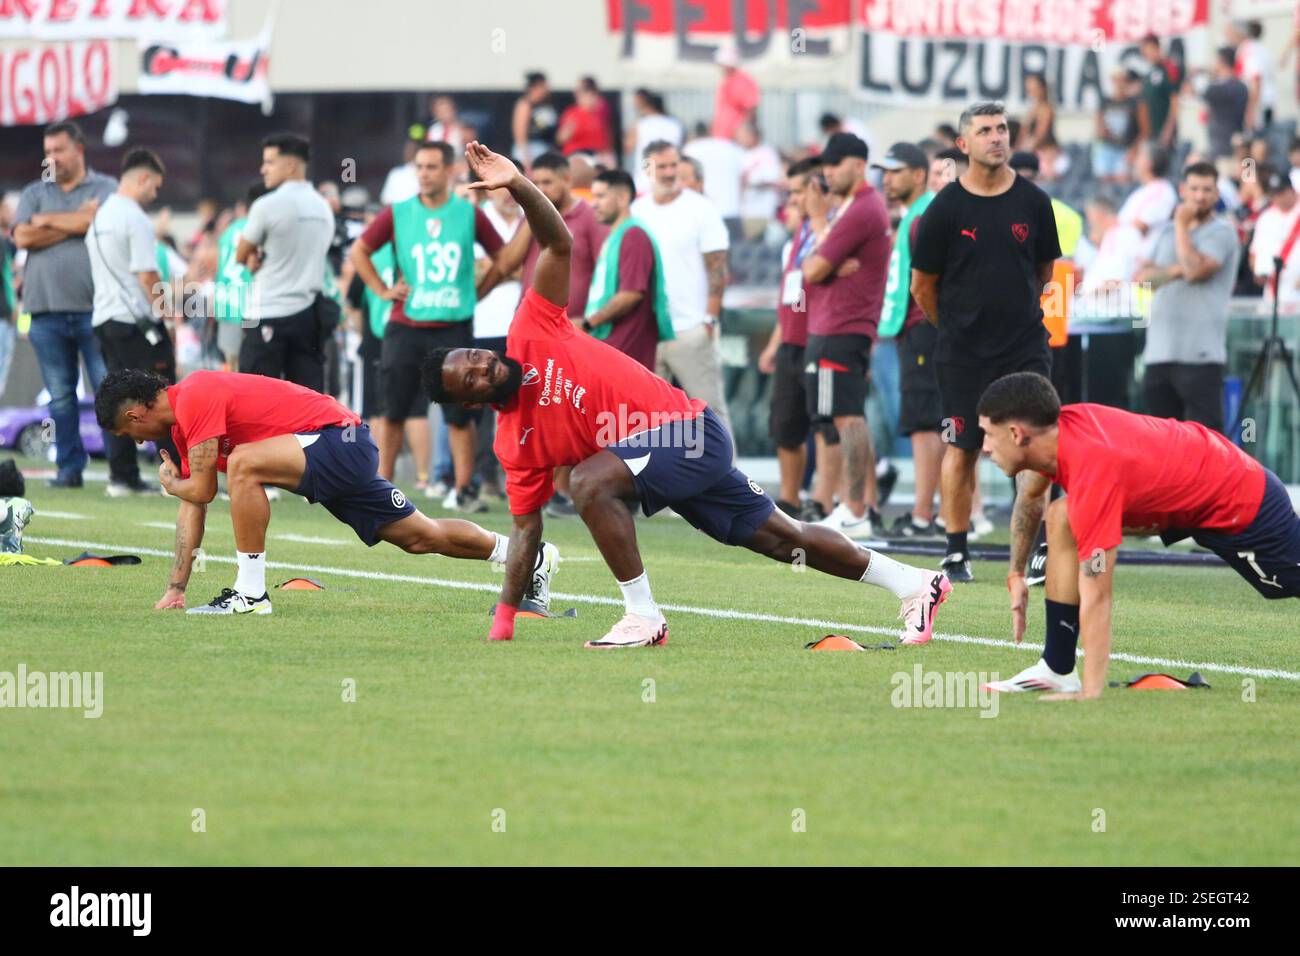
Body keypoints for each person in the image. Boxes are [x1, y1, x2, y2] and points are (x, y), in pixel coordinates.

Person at [423, 141, 952, 649]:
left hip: (690, 432)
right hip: (660, 460)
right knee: (783, 539)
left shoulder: (532, 326)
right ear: (471, 403)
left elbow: (558, 244)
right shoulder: (516, 444)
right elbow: (524, 532)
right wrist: (504, 617)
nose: (481, 365)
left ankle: (642, 615)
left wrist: (518, 185)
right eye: (469, 378)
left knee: (587, 480)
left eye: (473, 356)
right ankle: (913, 584)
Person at [95, 368, 558, 615]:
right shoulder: (179, 433)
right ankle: (528, 554)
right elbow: (195, 503)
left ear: (136, 414)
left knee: (243, 463)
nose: (137, 443)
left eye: (128, 433)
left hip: (341, 440)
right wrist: (176, 588)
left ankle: (251, 595)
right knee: (422, 537)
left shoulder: (195, 394)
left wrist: (173, 483)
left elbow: (201, 487)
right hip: (327, 455)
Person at [977, 372, 1298, 698]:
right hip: (1188, 492)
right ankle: (1056, 669)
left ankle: (1074, 680)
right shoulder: (1054, 434)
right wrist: (1016, 573)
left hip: (1244, 503)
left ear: (1016, 433)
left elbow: (1098, 595)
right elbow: (1031, 497)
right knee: (1061, 516)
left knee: (1288, 584)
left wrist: (1090, 693)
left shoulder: (1093, 471)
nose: (985, 447)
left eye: (988, 434)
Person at [911, 101, 1061, 583]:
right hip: (962, 354)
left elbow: (1044, 273)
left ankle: (1036, 551)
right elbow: (922, 288)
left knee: (1037, 446)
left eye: (1001, 129)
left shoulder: (1035, 203)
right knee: (962, 447)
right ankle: (956, 552)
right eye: (985, 131)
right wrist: (956, 327)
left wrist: (1014, 317)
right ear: (963, 144)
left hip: (1024, 348)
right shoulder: (944, 210)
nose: (997, 137)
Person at [349, 141, 507, 513]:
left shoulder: (468, 214)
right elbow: (359, 251)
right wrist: (382, 290)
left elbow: (502, 259)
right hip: (406, 325)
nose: (423, 173)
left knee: (460, 412)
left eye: (432, 167)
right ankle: (381, 488)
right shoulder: (397, 212)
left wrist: (475, 294)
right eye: (419, 166)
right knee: (392, 410)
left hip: (453, 326)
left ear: (449, 170)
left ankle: (465, 489)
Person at [12, 121, 117, 489]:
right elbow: (21, 234)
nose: (52, 157)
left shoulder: (106, 188)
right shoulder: (33, 192)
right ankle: (69, 469)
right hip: (44, 312)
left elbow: (100, 222)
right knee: (60, 397)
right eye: (48, 151)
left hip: (97, 309)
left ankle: (121, 471)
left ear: (79, 149)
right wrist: (76, 222)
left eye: (59, 150)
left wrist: (46, 223)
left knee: (109, 391)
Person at [801, 131, 892, 538]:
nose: (828, 174)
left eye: (835, 166)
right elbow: (817, 264)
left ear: (858, 164)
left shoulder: (861, 209)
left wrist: (819, 220)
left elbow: (813, 270)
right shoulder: (856, 209)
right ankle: (861, 506)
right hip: (836, 326)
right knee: (841, 416)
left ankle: (853, 508)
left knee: (845, 416)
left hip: (842, 326)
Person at [84, 147, 180, 497]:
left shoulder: (98, 217)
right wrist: (165, 311)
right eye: (154, 186)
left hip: (105, 320)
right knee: (164, 397)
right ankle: (176, 474)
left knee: (116, 400)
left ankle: (122, 477)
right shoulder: (134, 218)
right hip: (136, 324)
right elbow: (146, 273)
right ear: (142, 178)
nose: (155, 194)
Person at [631, 142, 733, 435]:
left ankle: (728, 481)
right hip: (650, 330)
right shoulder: (637, 211)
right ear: (647, 170)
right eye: (661, 166)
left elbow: (718, 267)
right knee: (648, 418)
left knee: (710, 414)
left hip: (691, 330)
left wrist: (709, 320)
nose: (669, 173)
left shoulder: (700, 208)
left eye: (673, 165)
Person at [1136, 161, 1241, 434]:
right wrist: (1177, 269)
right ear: (1183, 190)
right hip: (1159, 353)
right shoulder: (1166, 233)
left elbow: (1194, 271)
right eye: (1194, 188)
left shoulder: (1223, 232)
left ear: (1217, 194)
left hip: (1201, 356)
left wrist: (1181, 226)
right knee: (1163, 443)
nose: (1200, 196)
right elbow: (1143, 280)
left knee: (1206, 443)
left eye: (1207, 189)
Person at [875, 143, 942, 537]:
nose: (887, 178)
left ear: (918, 174)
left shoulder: (925, 215)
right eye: (884, 171)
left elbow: (935, 278)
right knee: (926, 421)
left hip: (924, 328)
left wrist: (930, 322)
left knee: (926, 424)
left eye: (895, 170)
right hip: (914, 327)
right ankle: (933, 513)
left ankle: (922, 515)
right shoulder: (914, 214)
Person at [235, 133, 335, 393]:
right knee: (307, 404)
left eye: (269, 162)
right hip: (309, 315)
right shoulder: (324, 208)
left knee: (254, 401)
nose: (263, 169)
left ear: (290, 165)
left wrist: (254, 256)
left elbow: (240, 253)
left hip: (268, 310)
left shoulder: (267, 205)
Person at [757, 160, 819, 517]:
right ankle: (791, 499)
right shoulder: (793, 242)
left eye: (796, 194)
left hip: (821, 336)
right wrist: (774, 344)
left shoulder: (828, 232)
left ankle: (828, 500)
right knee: (785, 424)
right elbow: (787, 300)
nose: (791, 203)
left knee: (827, 426)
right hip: (792, 340)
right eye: (790, 194)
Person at [581, 169, 673, 371]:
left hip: (626, 350)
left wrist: (587, 324)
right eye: (593, 196)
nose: (593, 203)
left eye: (601, 196)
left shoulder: (634, 235)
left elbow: (631, 294)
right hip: (613, 345)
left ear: (623, 198)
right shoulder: (617, 234)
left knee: (624, 405)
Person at [1248, 167, 1300, 306]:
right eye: (1275, 194)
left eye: (1282, 193)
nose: (1279, 198)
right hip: (1273, 292)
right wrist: (1258, 272)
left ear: (1292, 190)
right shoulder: (1266, 218)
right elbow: (1254, 253)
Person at [1117, 142, 1177, 260]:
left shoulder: (1162, 190)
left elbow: (1141, 226)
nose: (1135, 161)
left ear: (1149, 163)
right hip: (1123, 258)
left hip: (1139, 264)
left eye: (1140, 156)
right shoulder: (1141, 191)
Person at [683, 123, 746, 232]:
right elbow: (745, 177)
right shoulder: (731, 147)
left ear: (693, 134)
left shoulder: (690, 149)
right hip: (732, 211)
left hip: (703, 214)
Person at [627, 90, 683, 194]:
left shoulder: (641, 124)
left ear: (649, 106)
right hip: (670, 177)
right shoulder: (676, 124)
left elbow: (628, 147)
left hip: (646, 174)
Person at [1092, 69, 1141, 184]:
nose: (1120, 84)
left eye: (1123, 80)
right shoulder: (1105, 102)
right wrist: (1101, 131)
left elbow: (1144, 131)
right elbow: (1098, 124)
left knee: (1122, 179)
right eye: (1117, 80)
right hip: (1107, 147)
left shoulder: (1134, 103)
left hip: (1125, 148)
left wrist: (1134, 149)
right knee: (1103, 179)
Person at [736, 123, 783, 241]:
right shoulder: (740, 153)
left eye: (742, 135)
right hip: (744, 211)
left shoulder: (767, 152)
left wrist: (748, 180)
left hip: (762, 210)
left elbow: (771, 178)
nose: (739, 139)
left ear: (753, 136)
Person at [1202, 47, 1249, 161]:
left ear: (1222, 61)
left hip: (1222, 145)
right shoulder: (1241, 87)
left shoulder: (1217, 89)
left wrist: (1211, 75)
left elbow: (1206, 92)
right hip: (1235, 142)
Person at [1230, 20, 1276, 132]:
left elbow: (1256, 79)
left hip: (1257, 104)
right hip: (1263, 102)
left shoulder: (1249, 49)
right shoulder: (1262, 49)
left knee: (1256, 143)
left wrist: (1251, 111)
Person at [557, 76, 612, 164]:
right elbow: (561, 138)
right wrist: (569, 129)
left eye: (593, 96)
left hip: (594, 156)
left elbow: (604, 141)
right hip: (577, 155)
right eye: (588, 96)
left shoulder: (598, 115)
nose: (592, 100)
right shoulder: (572, 113)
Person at [1138, 34, 1180, 148]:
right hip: (1151, 133)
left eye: (1148, 49)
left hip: (1165, 134)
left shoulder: (1169, 69)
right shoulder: (1149, 73)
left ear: (1156, 48)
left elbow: (1175, 101)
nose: (1146, 53)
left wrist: (1168, 130)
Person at [711, 45, 759, 141]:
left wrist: (743, 134)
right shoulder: (728, 81)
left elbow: (751, 109)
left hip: (734, 140)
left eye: (722, 64)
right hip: (723, 138)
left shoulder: (741, 81)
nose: (720, 68)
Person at [511, 72, 557, 169]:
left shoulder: (546, 105)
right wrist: (525, 156)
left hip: (544, 148)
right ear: (535, 87)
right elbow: (520, 131)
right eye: (544, 86)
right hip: (530, 148)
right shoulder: (525, 104)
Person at [1015, 73, 1055, 152]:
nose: (1031, 92)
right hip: (1033, 150)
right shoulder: (1032, 109)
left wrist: (1024, 149)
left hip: (1045, 152)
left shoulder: (1046, 109)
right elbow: (1024, 131)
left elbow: (1040, 135)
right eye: (1029, 90)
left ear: (1043, 88)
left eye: (1035, 89)